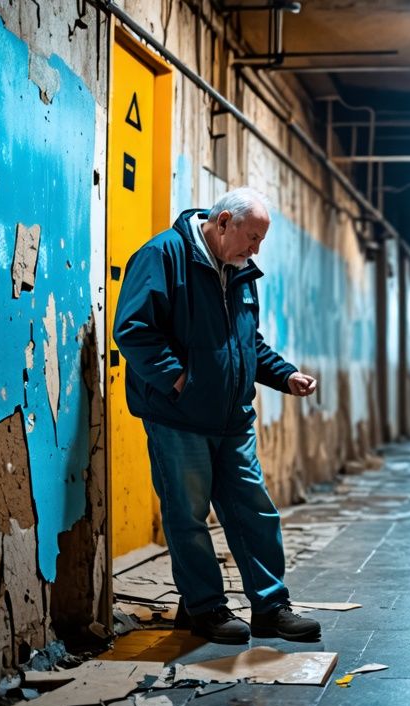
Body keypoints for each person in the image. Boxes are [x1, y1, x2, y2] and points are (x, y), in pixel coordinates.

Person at [112, 187, 321, 645]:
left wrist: (285, 376)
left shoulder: (240, 271)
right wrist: (181, 380)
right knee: (188, 515)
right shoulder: (162, 256)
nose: (255, 249)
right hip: (179, 417)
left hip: (232, 420)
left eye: (260, 241)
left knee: (255, 511)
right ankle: (205, 608)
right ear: (222, 222)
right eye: (251, 237)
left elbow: (249, 344)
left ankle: (270, 606)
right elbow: (132, 329)